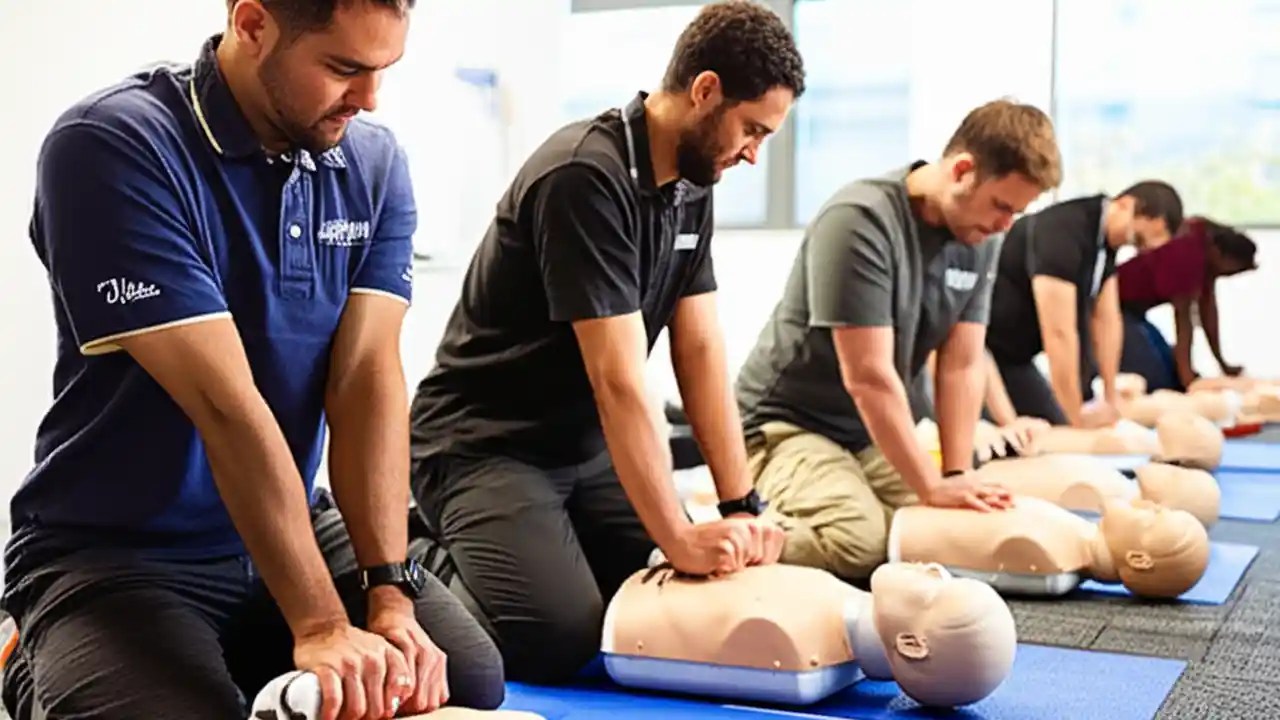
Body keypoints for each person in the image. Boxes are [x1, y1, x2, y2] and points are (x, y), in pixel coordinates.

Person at [1, 2, 505, 718]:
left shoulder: (374, 161)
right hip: (118, 548)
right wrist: (325, 626)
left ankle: (226, 660)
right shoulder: (111, 145)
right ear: (252, 24)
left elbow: (366, 381)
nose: (368, 100)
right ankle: (35, 652)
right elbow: (225, 406)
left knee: (465, 678)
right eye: (343, 69)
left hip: (294, 519)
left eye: (383, 70)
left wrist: (387, 592)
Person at [407, 1, 806, 684]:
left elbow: (702, 352)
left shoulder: (692, 182)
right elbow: (619, 380)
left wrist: (742, 504)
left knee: (651, 590)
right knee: (560, 637)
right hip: (483, 445)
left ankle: (531, 552)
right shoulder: (583, 176)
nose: (752, 153)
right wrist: (677, 534)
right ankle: (421, 548)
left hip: (581, 448)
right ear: (705, 91)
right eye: (752, 130)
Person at [733, 99, 1061, 582]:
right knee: (858, 541)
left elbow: (962, 365)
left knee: (965, 518)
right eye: (1001, 206)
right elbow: (869, 377)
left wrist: (954, 475)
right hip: (783, 425)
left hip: (862, 434)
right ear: (963, 170)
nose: (1005, 226)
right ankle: (728, 531)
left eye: (1018, 212)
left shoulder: (980, 238)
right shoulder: (860, 220)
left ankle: (847, 509)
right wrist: (929, 484)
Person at [984, 181, 1184, 427]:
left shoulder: (1104, 246)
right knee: (1046, 432)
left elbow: (1107, 320)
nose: (1133, 249)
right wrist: (1074, 419)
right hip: (984, 351)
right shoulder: (1063, 231)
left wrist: (1111, 397)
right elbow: (1059, 335)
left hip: (1017, 358)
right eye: (1137, 238)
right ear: (1125, 205)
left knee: (1055, 425)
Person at [1116, 216, 1257, 391]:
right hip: (1114, 307)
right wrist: (1187, 377)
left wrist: (1222, 363)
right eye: (1231, 271)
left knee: (1171, 367)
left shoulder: (1206, 254)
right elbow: (1184, 322)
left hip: (1134, 312)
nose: (1229, 276)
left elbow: (1208, 313)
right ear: (1218, 253)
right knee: (1159, 379)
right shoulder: (1189, 254)